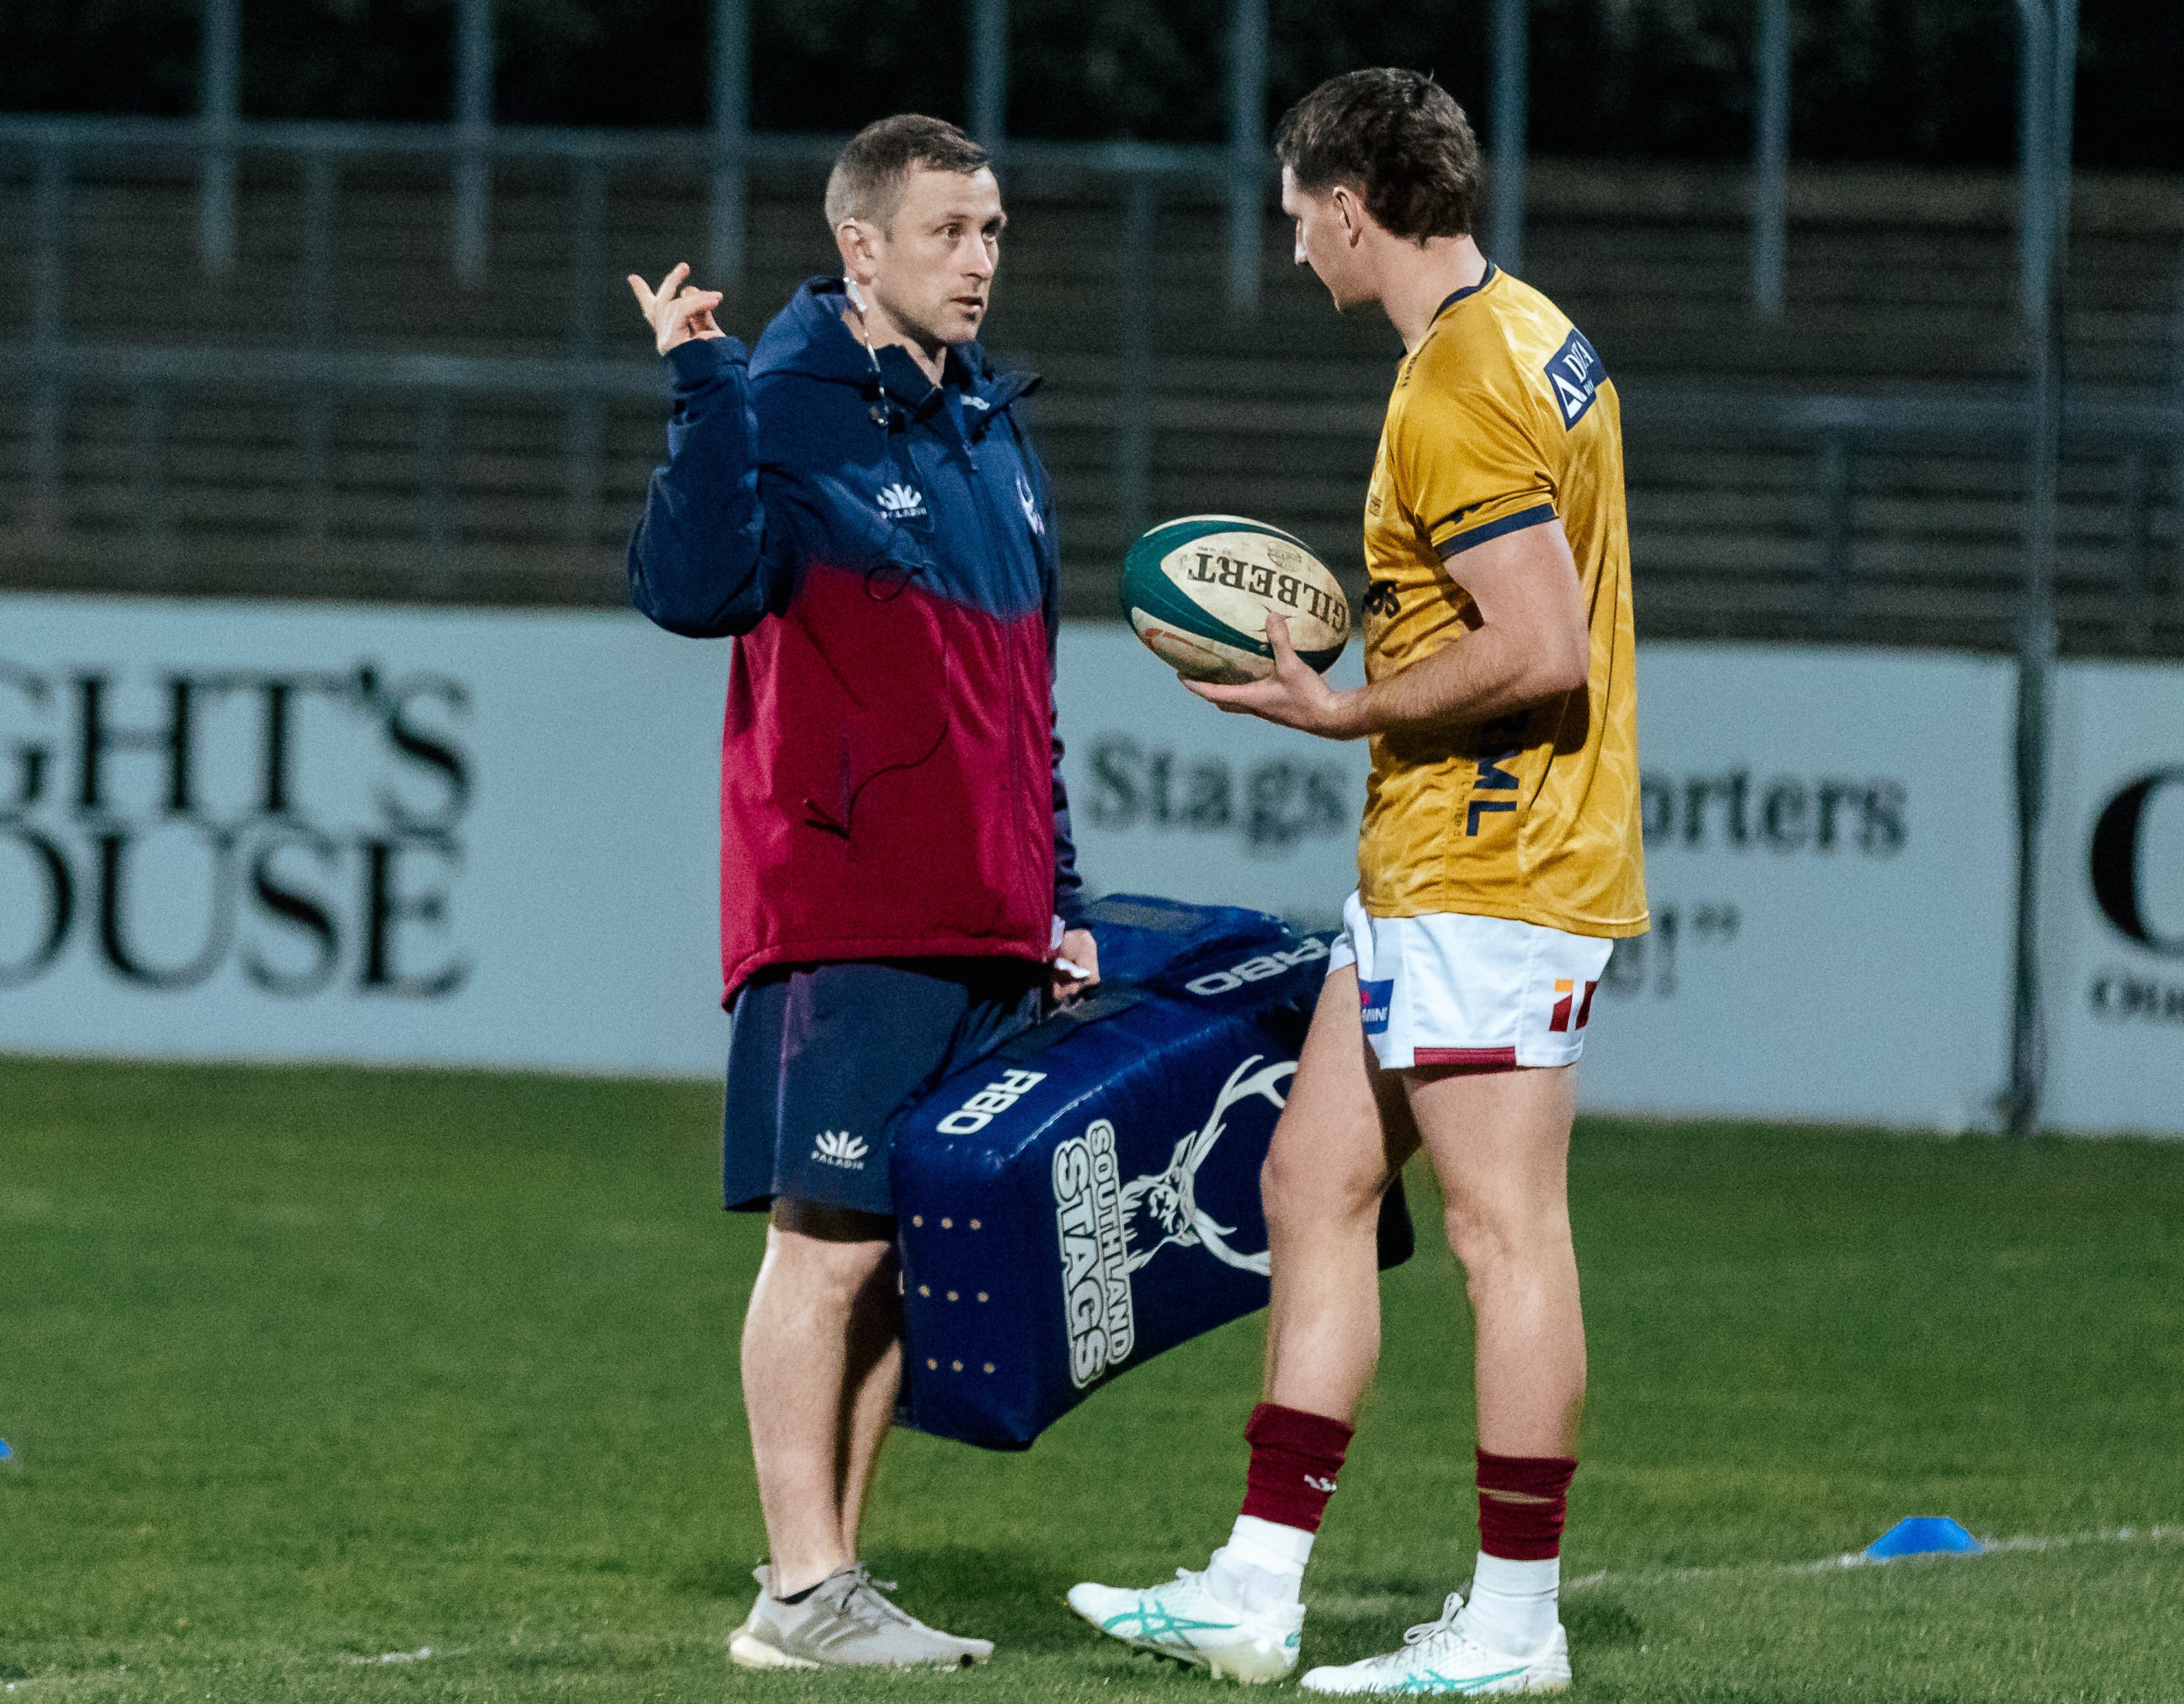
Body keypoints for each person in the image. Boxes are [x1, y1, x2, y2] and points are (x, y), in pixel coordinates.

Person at [1066, 68, 1646, 1695]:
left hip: (1496, 861)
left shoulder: (1456, 381)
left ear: (1346, 202)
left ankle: (1516, 1628)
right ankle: (1257, 1586)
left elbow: (1532, 644)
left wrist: (1345, 707)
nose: (1291, 245)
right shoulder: (1534, 327)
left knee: (1503, 1235)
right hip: (1431, 866)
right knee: (1308, 1185)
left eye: (1292, 216)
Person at [624, 113, 1098, 1672]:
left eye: (994, 234)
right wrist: (699, 393)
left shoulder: (994, 429)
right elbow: (690, 593)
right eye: (951, 233)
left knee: (906, 1254)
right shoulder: (777, 402)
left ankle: (821, 1585)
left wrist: (1062, 893)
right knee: (824, 1244)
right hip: (843, 906)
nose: (980, 261)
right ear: (861, 247)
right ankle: (804, 1582)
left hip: (988, 917)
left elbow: (1025, 701)